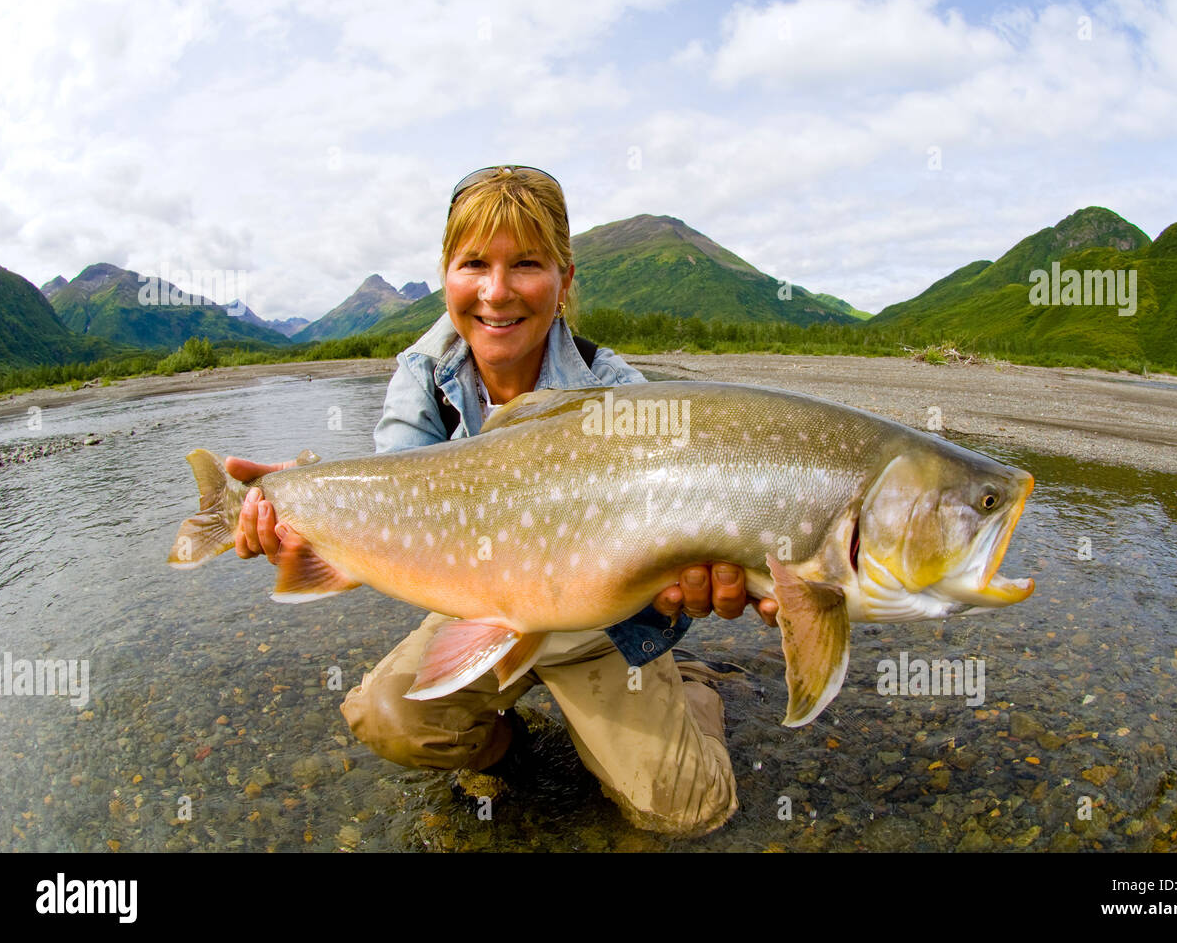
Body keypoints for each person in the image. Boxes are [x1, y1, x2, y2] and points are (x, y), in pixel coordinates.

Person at [225, 165, 778, 837]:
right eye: (473, 264)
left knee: (687, 810)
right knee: (388, 717)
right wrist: (303, 500)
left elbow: (687, 529)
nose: (496, 290)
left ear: (564, 280)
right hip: (484, 607)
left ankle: (692, 687)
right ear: (446, 275)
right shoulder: (421, 376)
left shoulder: (622, 393)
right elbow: (397, 494)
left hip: (599, 629)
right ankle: (507, 745)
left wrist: (705, 577)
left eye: (526, 264)